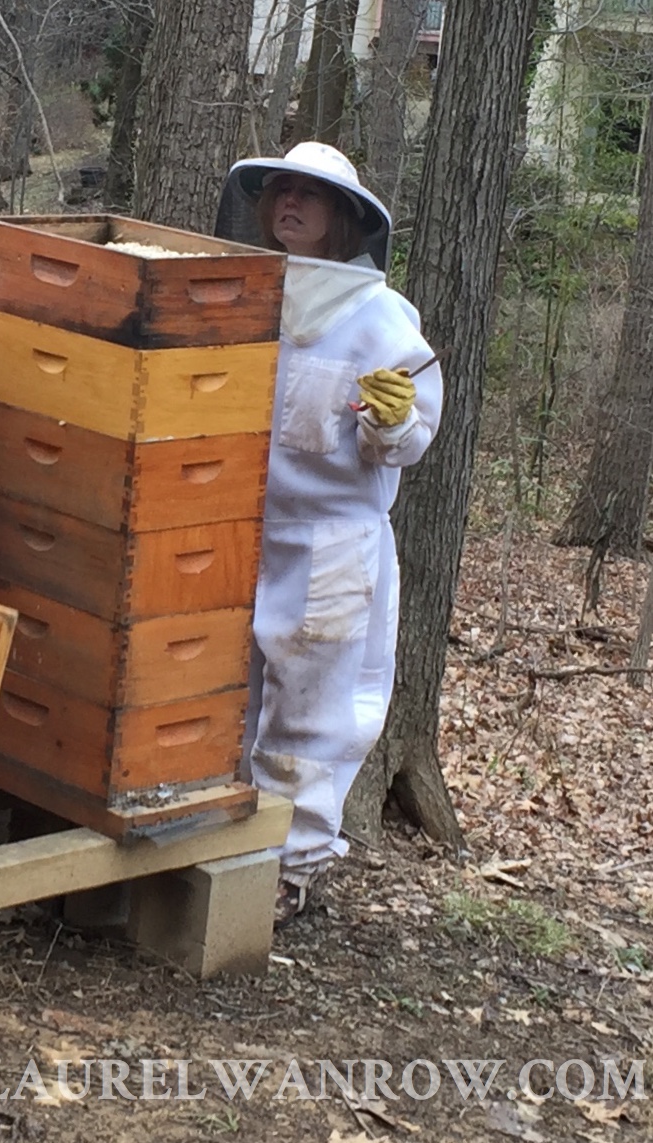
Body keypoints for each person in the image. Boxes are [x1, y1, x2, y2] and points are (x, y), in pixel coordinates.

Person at [213, 141, 444, 924]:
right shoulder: (248, 294)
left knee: (311, 712)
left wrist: (392, 419)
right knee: (232, 697)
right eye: (279, 189)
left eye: (307, 194)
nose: (289, 202)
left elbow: (409, 441)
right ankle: (227, 847)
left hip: (332, 546)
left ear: (341, 216)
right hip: (243, 530)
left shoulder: (381, 317)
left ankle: (292, 866)